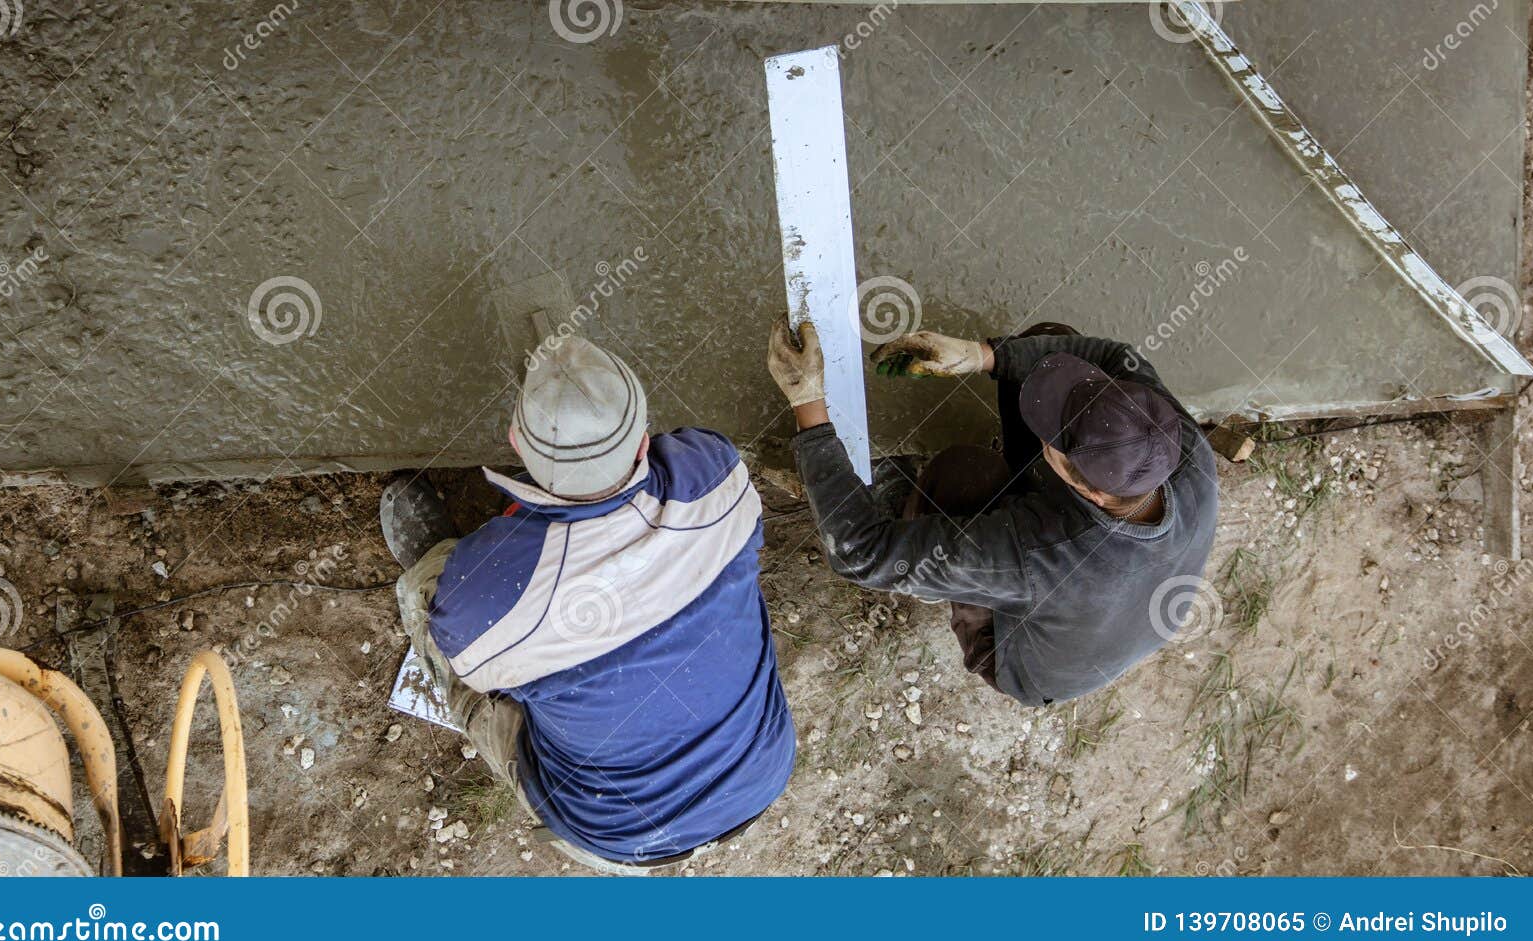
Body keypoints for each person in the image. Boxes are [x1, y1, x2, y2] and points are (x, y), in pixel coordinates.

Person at [383, 335, 794, 874]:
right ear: (645, 441)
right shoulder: (717, 471)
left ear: (513, 441)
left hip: (614, 833)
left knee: (437, 613)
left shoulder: (483, 603)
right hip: (760, 775)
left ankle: (430, 556)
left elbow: (487, 675)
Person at [766, 317, 1218, 707]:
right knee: (1049, 343)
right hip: (1110, 604)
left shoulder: (1037, 557)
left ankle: (931, 567)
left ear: (1081, 483)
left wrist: (808, 404)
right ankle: (1020, 460)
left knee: (962, 473)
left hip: (1026, 663)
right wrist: (981, 355)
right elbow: (1118, 357)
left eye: (1053, 442)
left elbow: (858, 552)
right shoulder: (1175, 442)